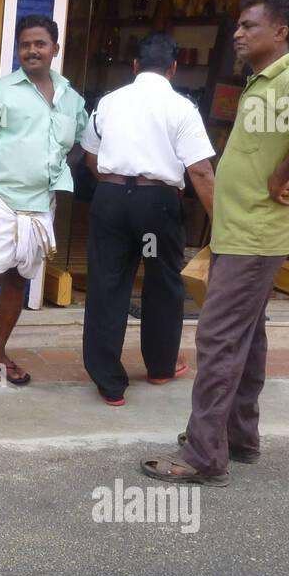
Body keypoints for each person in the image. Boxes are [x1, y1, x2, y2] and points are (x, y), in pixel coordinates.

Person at [142, 0, 289, 486]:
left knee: (218, 338)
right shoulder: (262, 82)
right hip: (243, 231)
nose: (237, 32)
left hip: (256, 234)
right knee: (247, 339)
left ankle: (204, 456)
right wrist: (281, 171)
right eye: (238, 25)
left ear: (280, 32)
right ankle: (240, 438)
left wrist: (283, 176)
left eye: (249, 25)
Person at [0, 14, 87, 398]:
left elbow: (82, 141)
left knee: (18, 279)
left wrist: (59, 170)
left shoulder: (71, 99)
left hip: (41, 204)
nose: (32, 50)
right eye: (25, 44)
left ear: (55, 49)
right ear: (18, 49)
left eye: (40, 44)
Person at [80, 33, 217, 406]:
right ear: (173, 69)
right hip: (156, 204)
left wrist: (116, 186)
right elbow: (201, 172)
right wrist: (222, 226)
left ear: (135, 66)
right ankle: (160, 367)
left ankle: (109, 384)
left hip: (109, 200)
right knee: (161, 281)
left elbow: (90, 157)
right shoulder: (182, 108)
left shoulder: (109, 102)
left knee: (107, 283)